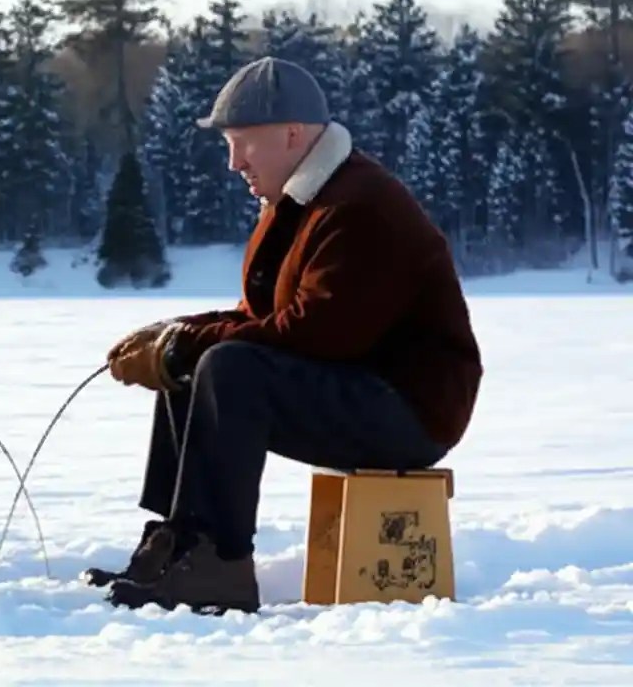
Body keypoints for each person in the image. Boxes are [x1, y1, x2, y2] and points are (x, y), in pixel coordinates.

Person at [90, 57, 483, 615]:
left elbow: (319, 332)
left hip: (410, 411)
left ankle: (221, 564)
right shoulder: (299, 203)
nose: (233, 162)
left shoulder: (360, 207)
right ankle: (180, 544)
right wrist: (177, 336)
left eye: (242, 143)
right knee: (198, 364)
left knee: (229, 367)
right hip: (359, 386)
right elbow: (260, 316)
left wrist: (190, 344)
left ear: (292, 134)